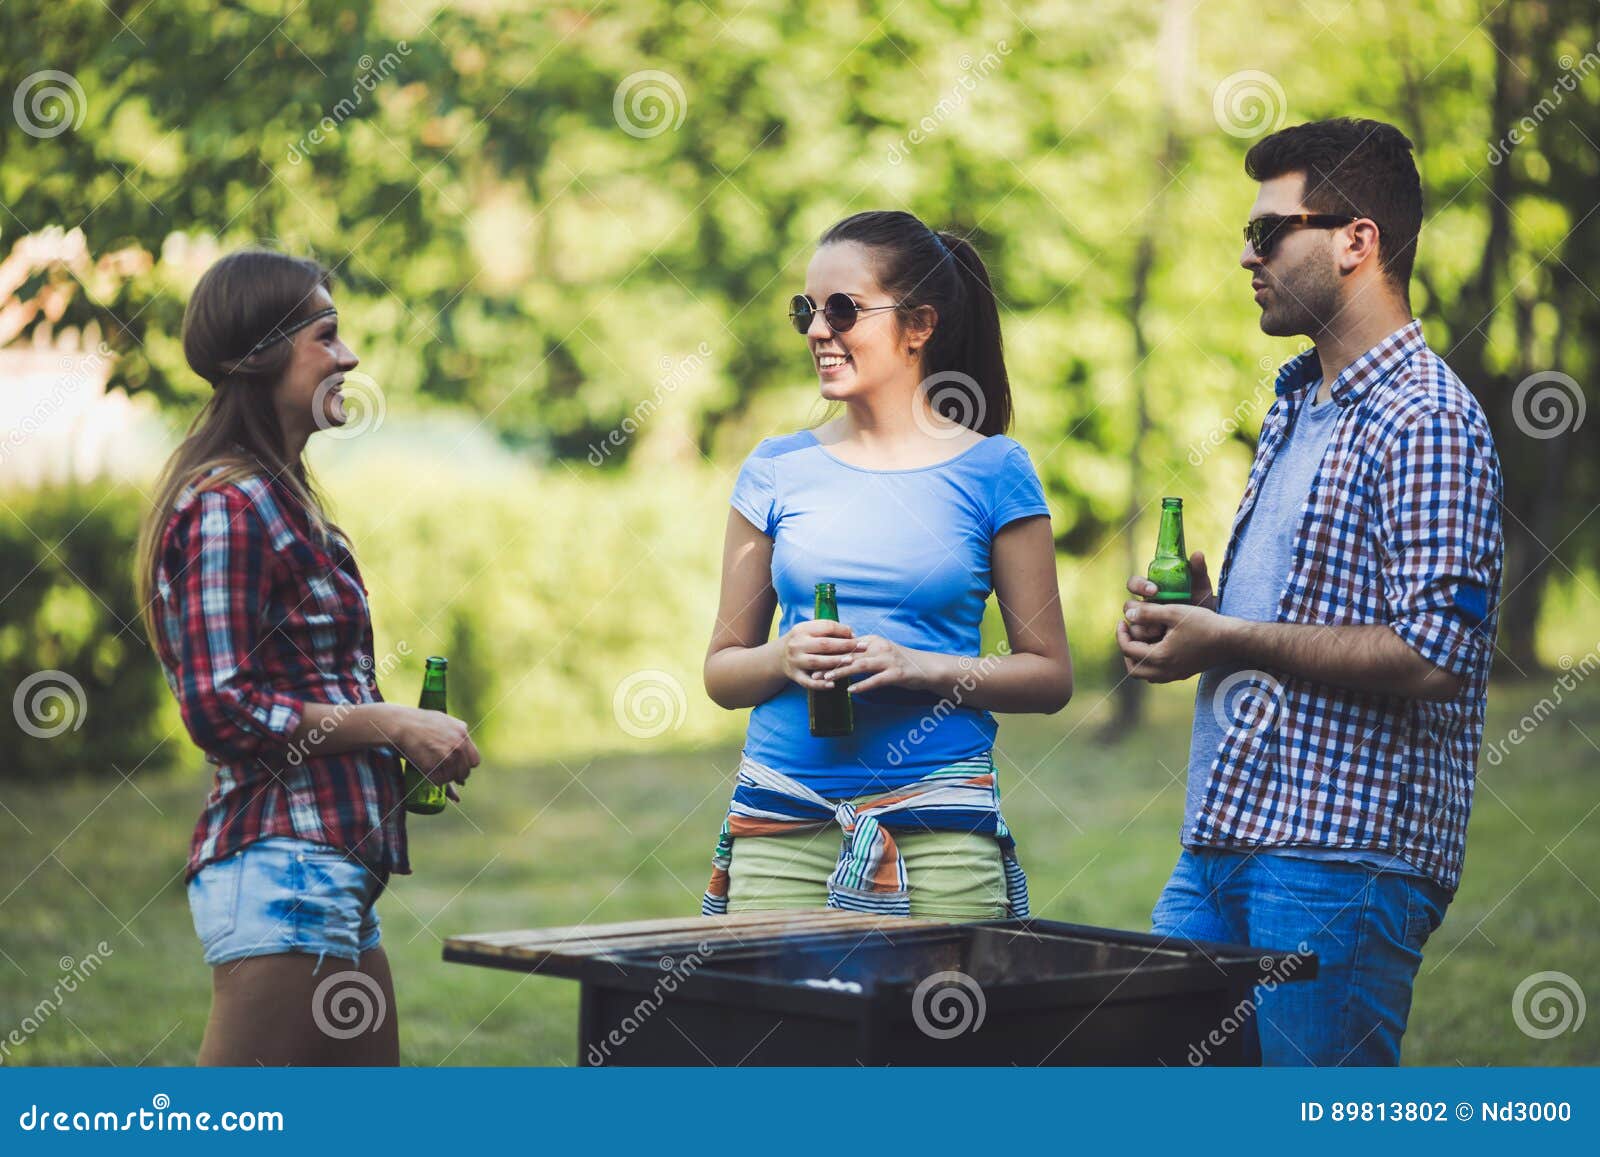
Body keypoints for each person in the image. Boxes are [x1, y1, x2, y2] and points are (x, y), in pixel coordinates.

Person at [1117, 119, 1504, 1065]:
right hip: (1226, 838)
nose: (1246, 256)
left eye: (1268, 232)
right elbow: (1305, 613)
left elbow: (1435, 653)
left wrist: (1229, 638)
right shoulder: (1298, 403)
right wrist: (1206, 614)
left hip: (1341, 862)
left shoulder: (1426, 417)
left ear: (1355, 240)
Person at [135, 249, 479, 1065]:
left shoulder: (283, 499)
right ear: (262, 355)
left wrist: (394, 733)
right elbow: (220, 706)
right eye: (326, 336)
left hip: (331, 876)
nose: (348, 358)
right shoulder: (228, 506)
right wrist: (391, 723)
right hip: (284, 869)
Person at [702, 210, 1073, 919]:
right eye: (806, 310)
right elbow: (722, 672)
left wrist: (919, 668)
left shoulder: (996, 470)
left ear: (919, 325)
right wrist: (783, 656)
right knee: (774, 1000)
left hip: (940, 825)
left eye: (842, 309)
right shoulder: (774, 469)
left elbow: (1050, 676)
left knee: (943, 998)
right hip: (784, 821)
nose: (818, 329)